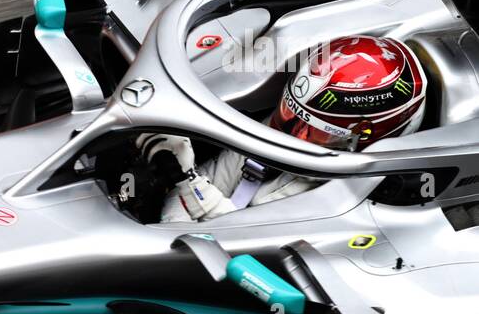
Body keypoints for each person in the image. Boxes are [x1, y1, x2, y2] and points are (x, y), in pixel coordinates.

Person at [141, 35, 428, 222]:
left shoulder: (344, 202)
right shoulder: (285, 130)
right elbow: (183, 204)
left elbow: (248, 245)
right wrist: (186, 180)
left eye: (315, 131)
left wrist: (188, 184)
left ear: (365, 136)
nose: (294, 135)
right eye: (290, 113)